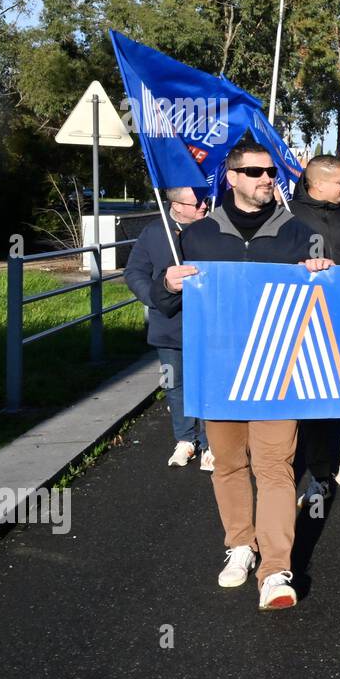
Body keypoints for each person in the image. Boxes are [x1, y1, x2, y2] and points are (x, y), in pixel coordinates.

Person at [153, 138, 329, 611]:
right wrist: (167, 284)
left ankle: (275, 570)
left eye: (270, 171)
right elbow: (167, 301)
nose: (267, 178)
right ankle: (239, 546)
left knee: (274, 469)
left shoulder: (300, 233)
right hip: (219, 371)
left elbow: (326, 300)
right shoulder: (198, 236)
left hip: (278, 371)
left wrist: (323, 273)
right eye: (254, 172)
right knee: (229, 466)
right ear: (231, 178)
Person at [288, 155, 340, 508]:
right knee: (317, 402)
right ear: (318, 183)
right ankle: (319, 475)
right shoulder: (288, 215)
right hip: (307, 322)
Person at [124, 186, 212, 471]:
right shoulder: (154, 232)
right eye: (197, 202)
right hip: (169, 326)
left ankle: (211, 443)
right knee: (174, 383)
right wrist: (154, 297)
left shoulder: (216, 229)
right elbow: (134, 272)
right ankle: (185, 439)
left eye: (205, 200)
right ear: (175, 205)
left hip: (210, 324)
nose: (203, 206)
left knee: (208, 383)